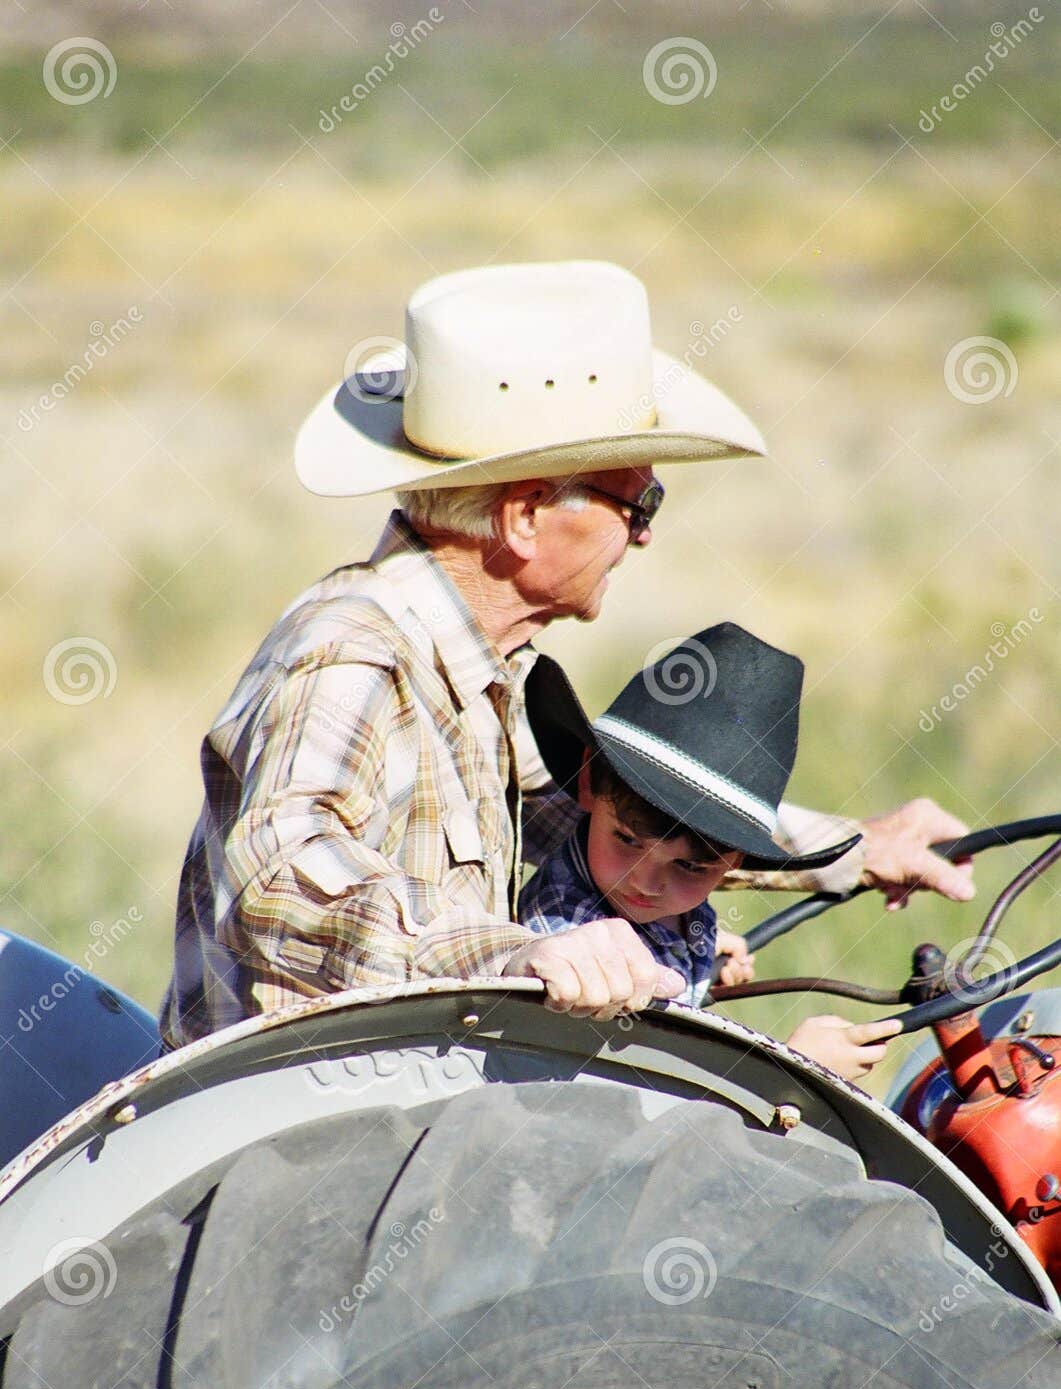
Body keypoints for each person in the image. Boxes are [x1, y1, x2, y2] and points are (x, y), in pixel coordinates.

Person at [159, 260, 973, 1049]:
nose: (645, 533)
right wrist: (515, 954)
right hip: (295, 1129)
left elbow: (616, 803)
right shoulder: (354, 654)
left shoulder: (485, 668)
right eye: (637, 501)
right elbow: (279, 878)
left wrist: (852, 849)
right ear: (523, 516)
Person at [519, 624, 901, 1081]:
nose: (645, 881)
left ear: (735, 860)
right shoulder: (568, 928)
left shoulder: (662, 911)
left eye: (689, 866)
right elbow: (636, 1091)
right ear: (587, 784)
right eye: (626, 840)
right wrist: (786, 1071)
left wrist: (691, 955)